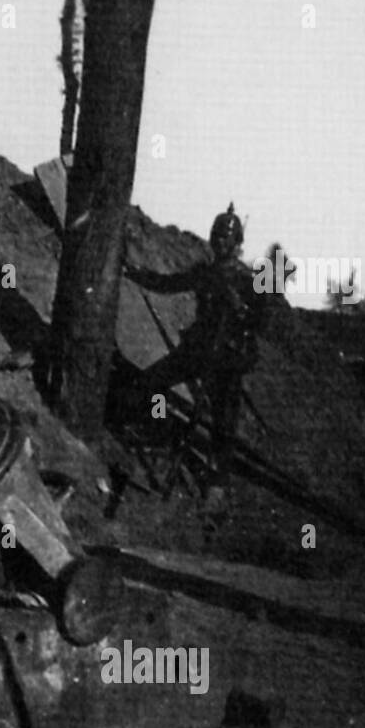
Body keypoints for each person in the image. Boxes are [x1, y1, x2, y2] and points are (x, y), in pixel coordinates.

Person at [123, 204, 271, 508]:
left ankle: (216, 483)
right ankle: (158, 431)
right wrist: (135, 273)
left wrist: (240, 311)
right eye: (216, 237)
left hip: (227, 361)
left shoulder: (249, 280)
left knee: (223, 424)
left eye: (226, 239)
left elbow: (262, 321)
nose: (220, 244)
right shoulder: (207, 272)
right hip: (200, 350)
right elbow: (170, 284)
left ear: (238, 245)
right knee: (152, 381)